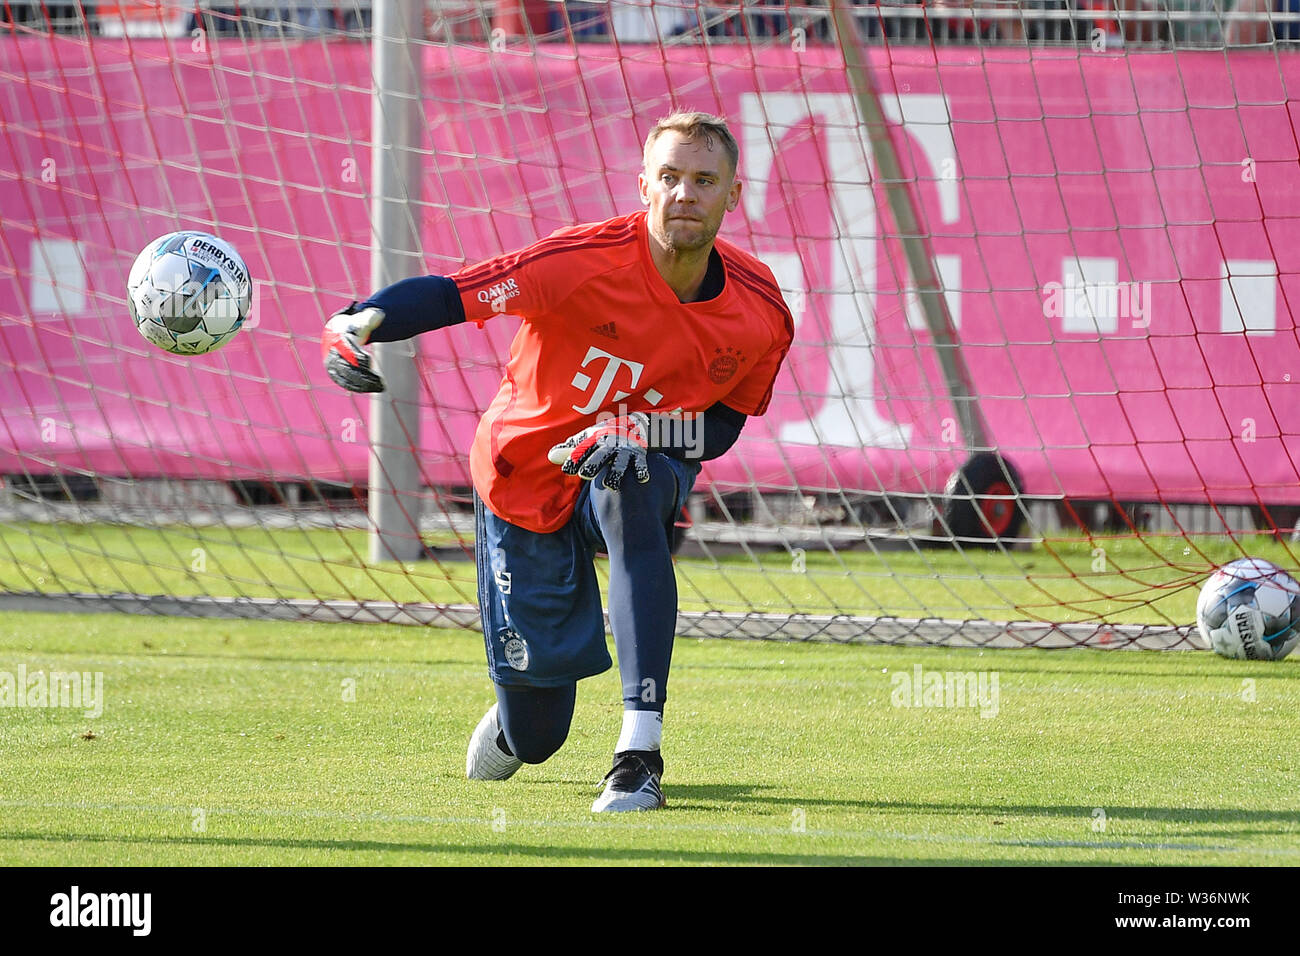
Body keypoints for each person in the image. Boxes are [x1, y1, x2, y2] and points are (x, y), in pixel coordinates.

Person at [322, 111, 794, 812]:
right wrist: (358, 321)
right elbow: (455, 294)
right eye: (669, 177)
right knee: (539, 735)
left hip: (633, 464)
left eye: (703, 180)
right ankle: (516, 722)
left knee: (631, 478)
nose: (684, 194)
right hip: (524, 479)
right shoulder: (579, 262)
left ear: (733, 194)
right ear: (643, 185)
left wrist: (647, 431)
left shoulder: (761, 310)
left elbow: (722, 429)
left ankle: (638, 754)